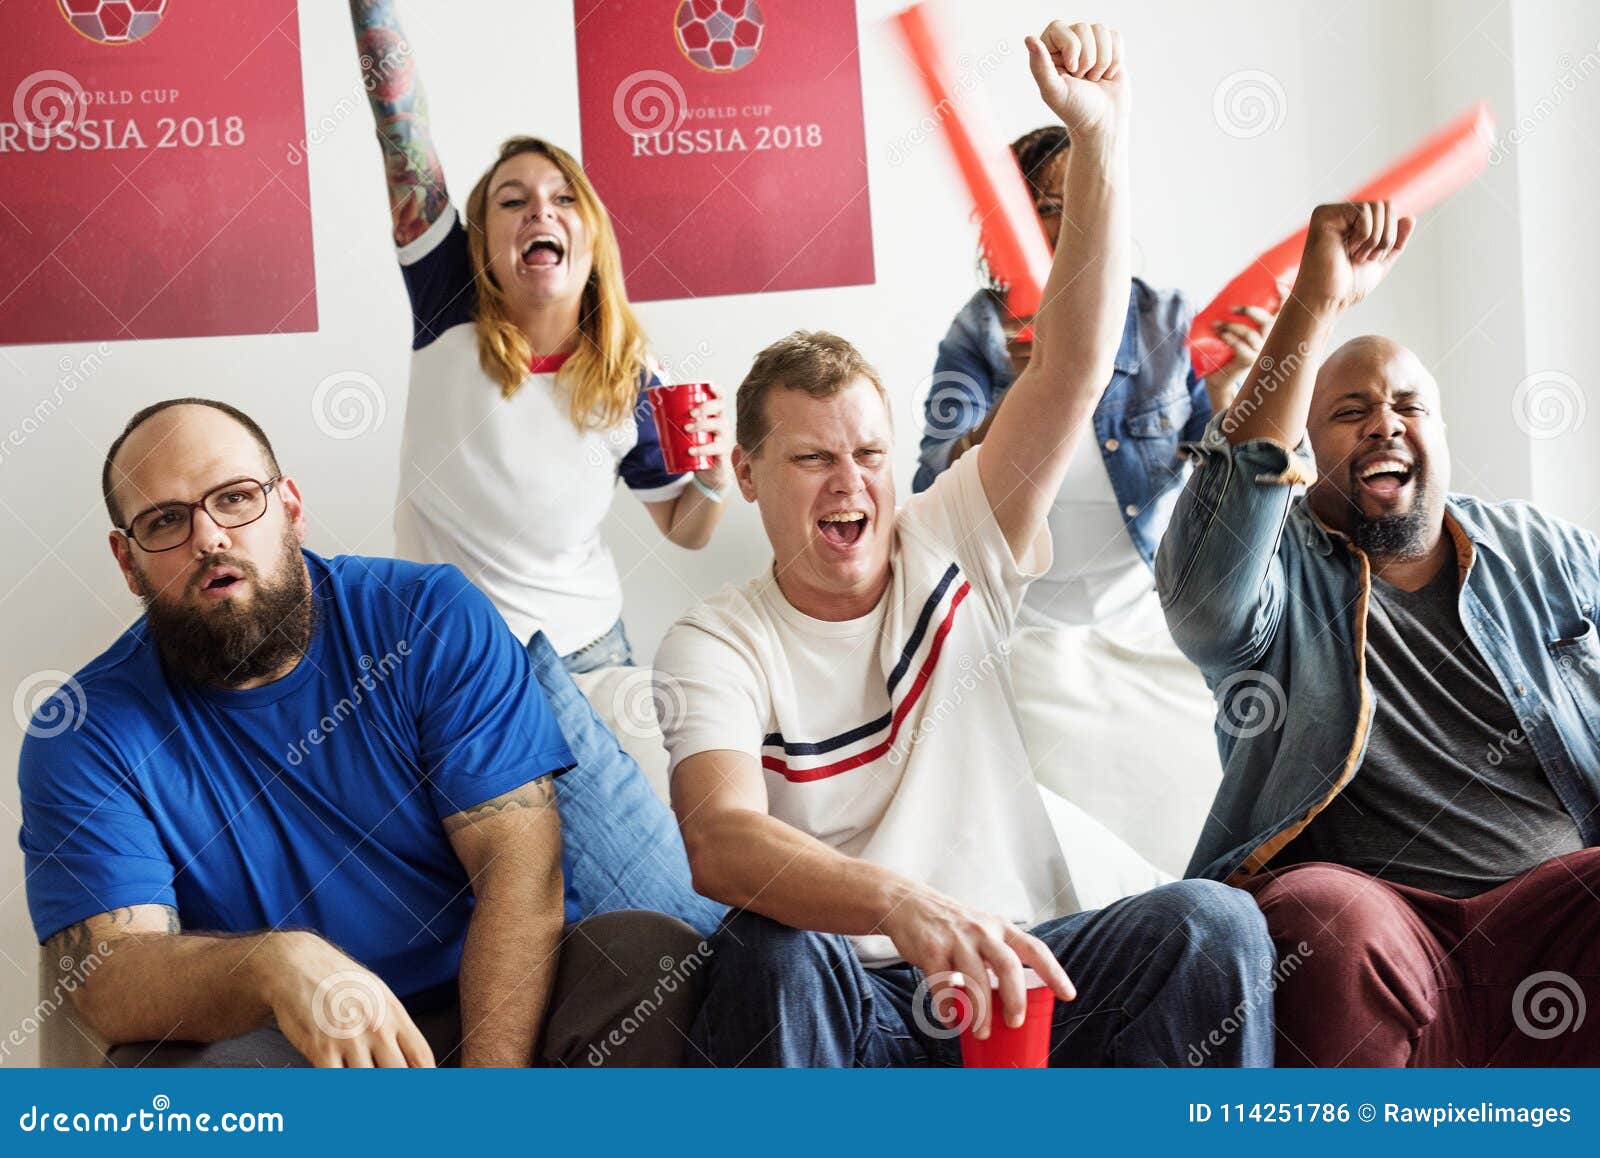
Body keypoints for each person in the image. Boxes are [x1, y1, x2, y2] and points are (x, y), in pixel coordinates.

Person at [656, 22, 1273, 1068]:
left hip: (1029, 971)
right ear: (749, 476)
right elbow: (718, 840)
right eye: (811, 460)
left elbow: (1073, 363)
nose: (850, 482)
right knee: (768, 954)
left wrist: (1101, 137)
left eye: (866, 453)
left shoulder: (948, 538)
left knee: (1213, 926)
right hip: (862, 998)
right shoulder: (715, 640)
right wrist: (905, 910)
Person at [18, 399, 702, 1067]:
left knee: (648, 955)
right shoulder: (82, 732)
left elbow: (518, 870)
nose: (209, 538)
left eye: (234, 499)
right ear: (126, 558)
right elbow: (112, 980)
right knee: (177, 1075)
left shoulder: (428, 615)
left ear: (290, 507)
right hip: (296, 1042)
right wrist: (271, 964)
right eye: (166, 520)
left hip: (499, 1001)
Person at [1158, 200, 1600, 1065]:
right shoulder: (1278, 571)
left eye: (1408, 405)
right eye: (1348, 411)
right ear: (1307, 453)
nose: (1384, 422)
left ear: (1441, 433)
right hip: (1384, 933)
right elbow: (1209, 579)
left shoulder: (1541, 548)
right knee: (1317, 914)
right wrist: (1313, 303)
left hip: (1549, 926)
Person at [345, 1, 730, 936]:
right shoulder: (447, 311)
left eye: (560, 198)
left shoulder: (634, 379)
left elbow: (685, 524)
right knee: (495, 895)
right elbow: (402, 124)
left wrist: (713, 470)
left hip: (592, 662)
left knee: (646, 898)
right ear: (482, 243)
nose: (538, 211)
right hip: (449, 668)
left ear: (589, 237)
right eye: (512, 201)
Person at [913, 124, 1275, 876]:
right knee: (1067, 858)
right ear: (1009, 218)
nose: (1068, 222)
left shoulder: (1169, 322)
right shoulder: (983, 330)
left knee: (1189, 838)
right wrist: (1023, 397)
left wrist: (1230, 388)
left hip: (1147, 623)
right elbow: (931, 484)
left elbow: (1232, 485)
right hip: (1029, 632)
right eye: (1046, 204)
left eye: (1086, 201)